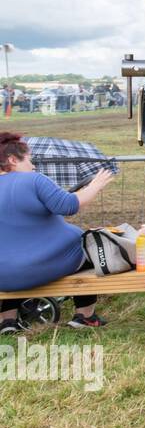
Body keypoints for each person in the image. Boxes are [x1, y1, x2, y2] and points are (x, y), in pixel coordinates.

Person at [0, 131, 115, 332]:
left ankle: (8, 322)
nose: (33, 165)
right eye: (28, 160)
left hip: (4, 275)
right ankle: (85, 316)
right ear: (12, 160)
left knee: (13, 258)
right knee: (90, 252)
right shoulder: (34, 180)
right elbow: (69, 205)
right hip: (44, 266)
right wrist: (95, 185)